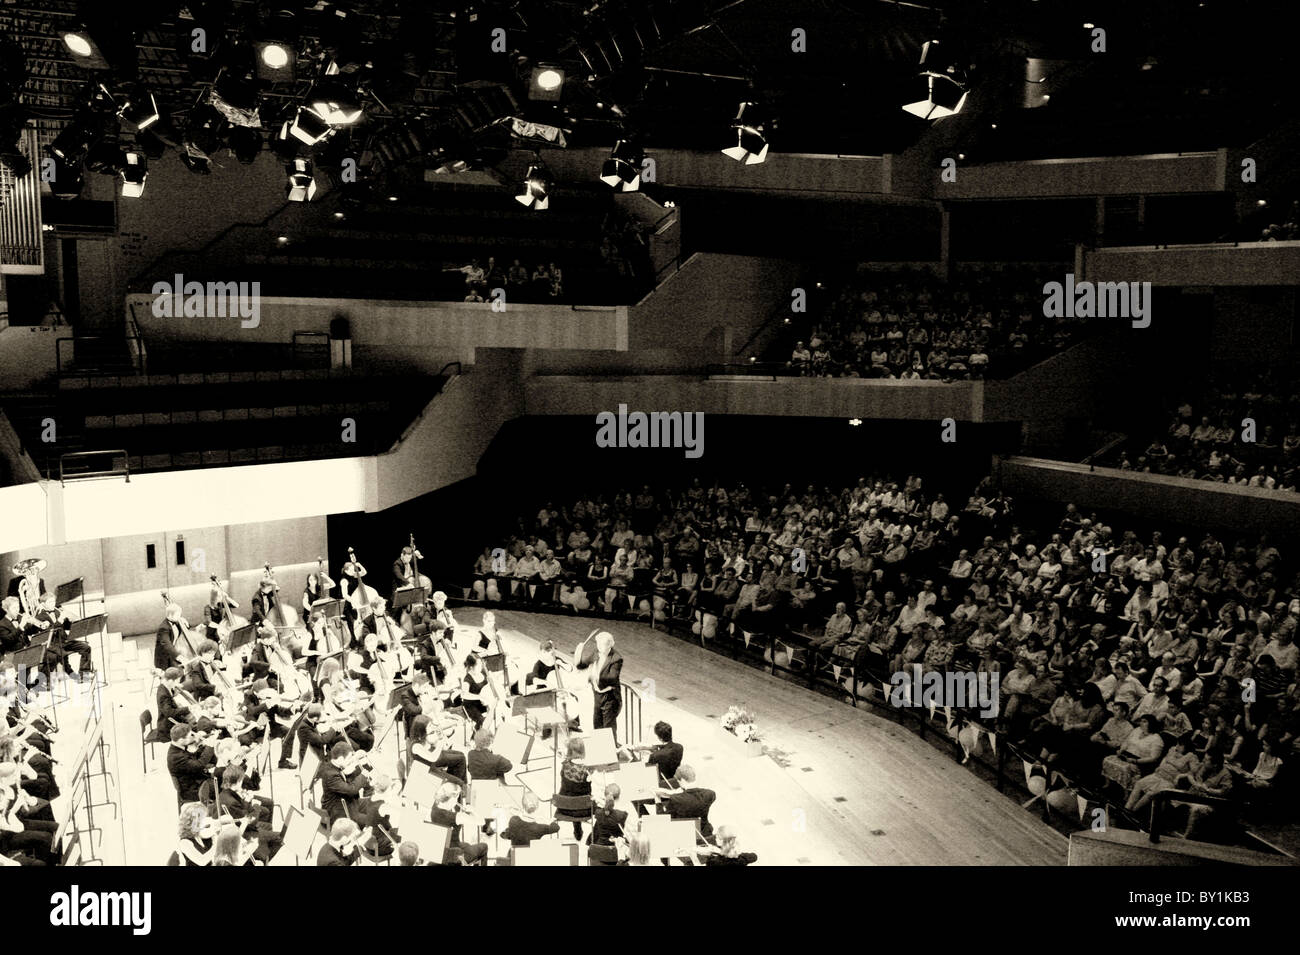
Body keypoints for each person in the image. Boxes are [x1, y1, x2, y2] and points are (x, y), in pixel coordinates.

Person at [577, 631, 623, 744]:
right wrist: (579, 651)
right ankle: (600, 751)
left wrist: (593, 675)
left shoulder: (616, 658)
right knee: (597, 723)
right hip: (597, 695)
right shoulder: (597, 652)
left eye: (601, 644)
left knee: (608, 727)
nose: (598, 647)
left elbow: (612, 677)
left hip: (610, 697)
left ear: (609, 645)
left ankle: (611, 753)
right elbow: (581, 665)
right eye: (597, 644)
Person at [430, 781, 488, 865]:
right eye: (456, 799)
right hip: (454, 854)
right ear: (451, 798)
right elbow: (481, 821)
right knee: (484, 847)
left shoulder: (434, 807)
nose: (457, 801)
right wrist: (473, 811)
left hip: (440, 851)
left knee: (467, 845)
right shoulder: (457, 817)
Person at [657, 764, 715, 837]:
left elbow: (663, 819)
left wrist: (657, 800)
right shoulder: (709, 795)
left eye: (678, 781)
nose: (678, 783)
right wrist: (681, 792)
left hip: (684, 834)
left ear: (683, 780)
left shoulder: (676, 799)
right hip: (703, 833)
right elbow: (696, 795)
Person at [555, 737, 592, 840]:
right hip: (583, 810)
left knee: (573, 795)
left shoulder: (564, 765)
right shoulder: (587, 769)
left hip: (564, 806)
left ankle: (577, 830)